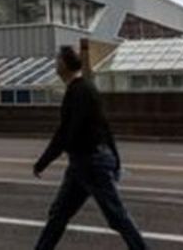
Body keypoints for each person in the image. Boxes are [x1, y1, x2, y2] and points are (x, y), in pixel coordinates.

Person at [32, 46, 146, 250]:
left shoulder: (79, 91)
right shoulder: (85, 88)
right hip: (84, 162)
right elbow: (104, 126)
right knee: (59, 213)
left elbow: (66, 132)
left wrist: (44, 161)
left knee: (116, 216)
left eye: (57, 60)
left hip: (90, 162)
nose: (55, 63)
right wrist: (115, 159)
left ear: (64, 64)